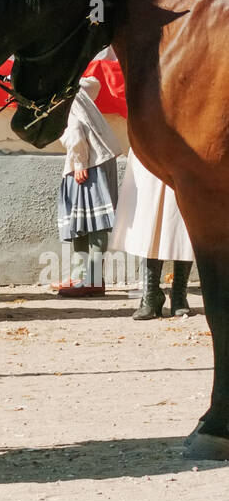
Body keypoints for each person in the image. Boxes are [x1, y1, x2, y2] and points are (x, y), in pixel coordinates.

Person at [52, 75, 122, 297]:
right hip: (96, 159)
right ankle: (82, 275)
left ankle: (91, 279)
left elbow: (74, 132)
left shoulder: (66, 97)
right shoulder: (82, 95)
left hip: (88, 163)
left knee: (93, 221)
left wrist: (80, 162)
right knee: (81, 221)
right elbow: (94, 83)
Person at [110, 149, 196, 319]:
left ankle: (179, 294)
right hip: (150, 144)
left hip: (187, 146)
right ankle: (150, 294)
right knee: (150, 220)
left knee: (182, 220)